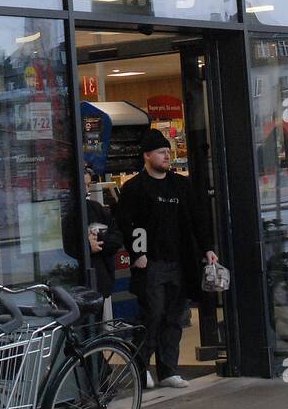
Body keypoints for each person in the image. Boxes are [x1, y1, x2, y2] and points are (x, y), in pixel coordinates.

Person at [115, 129, 218, 389]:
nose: (167, 156)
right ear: (147, 155)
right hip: (151, 264)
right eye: (161, 152)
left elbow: (197, 219)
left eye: (168, 152)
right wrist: (138, 255)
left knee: (174, 316)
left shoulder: (181, 185)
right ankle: (140, 366)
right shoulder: (134, 188)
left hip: (180, 262)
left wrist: (207, 248)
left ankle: (168, 369)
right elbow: (128, 224)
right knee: (152, 315)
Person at [61, 165, 124, 301]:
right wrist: (87, 247)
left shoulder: (95, 208)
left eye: (88, 185)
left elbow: (116, 237)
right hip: (74, 281)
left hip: (98, 280)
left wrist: (100, 243)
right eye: (83, 185)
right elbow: (64, 246)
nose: (86, 189)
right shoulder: (67, 212)